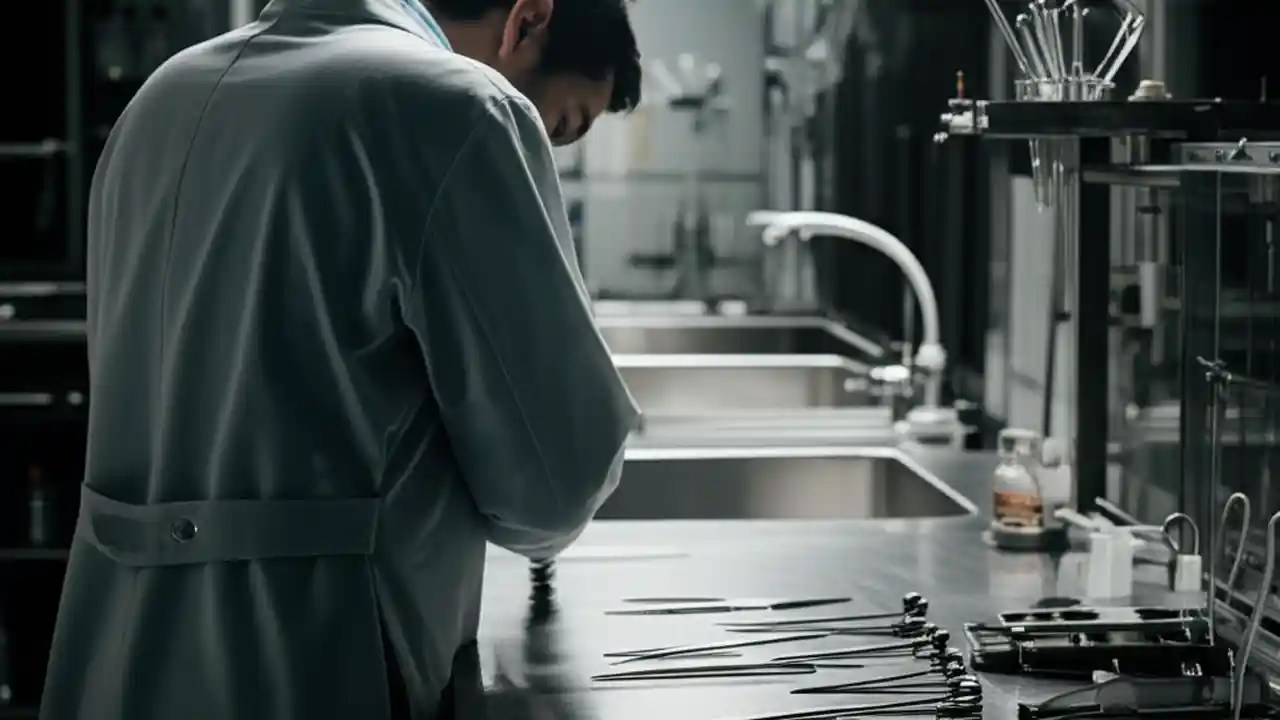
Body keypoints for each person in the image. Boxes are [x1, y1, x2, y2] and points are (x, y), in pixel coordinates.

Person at [40, 0, 642, 718]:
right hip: (318, 654)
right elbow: (552, 486)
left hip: (111, 650)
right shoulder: (459, 108)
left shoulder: (161, 96)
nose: (545, 143)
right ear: (530, 18)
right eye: (561, 123)